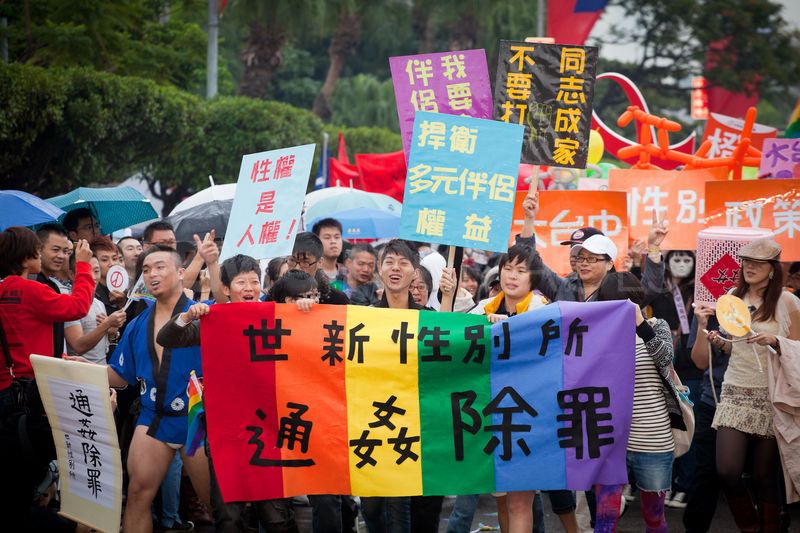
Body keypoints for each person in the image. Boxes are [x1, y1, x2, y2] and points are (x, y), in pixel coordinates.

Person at [158, 254, 299, 533]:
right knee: (228, 516)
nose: (249, 288)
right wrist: (186, 316)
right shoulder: (214, 320)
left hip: (269, 428)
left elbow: (309, 335)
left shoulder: (276, 316)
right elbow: (167, 338)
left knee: (276, 517)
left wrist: (305, 307)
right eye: (241, 282)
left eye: (254, 281)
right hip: (227, 433)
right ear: (225, 289)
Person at [98, 245, 211, 533]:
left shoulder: (203, 314)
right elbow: (119, 376)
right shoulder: (137, 324)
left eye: (160, 266)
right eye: (146, 270)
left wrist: (213, 261)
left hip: (196, 422)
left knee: (216, 504)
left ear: (181, 272)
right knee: (137, 494)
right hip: (152, 419)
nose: (152, 274)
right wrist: (78, 369)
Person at [0, 227, 95, 530]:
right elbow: (77, 307)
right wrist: (82, 266)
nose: (42, 256)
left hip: (5, 391)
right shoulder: (33, 290)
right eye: (38, 251)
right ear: (27, 257)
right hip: (31, 396)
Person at [704, 237, 800, 532]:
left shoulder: (788, 301)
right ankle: (750, 526)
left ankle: (773, 525)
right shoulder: (732, 296)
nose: (749, 267)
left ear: (773, 268)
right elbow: (737, 346)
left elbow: (797, 349)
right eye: (746, 262)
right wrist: (720, 342)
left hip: (771, 394)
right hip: (734, 390)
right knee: (728, 471)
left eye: (758, 263)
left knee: (764, 476)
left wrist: (776, 340)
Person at [461, 244, 551, 533]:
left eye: (521, 271)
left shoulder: (542, 310)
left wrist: (511, 325)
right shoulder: (482, 309)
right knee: (501, 501)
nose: (512, 276)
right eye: (508, 269)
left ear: (533, 278)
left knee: (519, 503)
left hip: (525, 416)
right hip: (490, 416)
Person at [360, 239, 444, 533]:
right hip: (374, 421)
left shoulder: (429, 319)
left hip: (416, 421)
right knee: (370, 507)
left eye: (403, 263)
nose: (395, 268)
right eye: (389, 262)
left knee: (402, 505)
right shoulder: (364, 317)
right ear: (379, 271)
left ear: (414, 271)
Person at [592, 272, 679, 533]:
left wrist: (640, 323)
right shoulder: (599, 333)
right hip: (611, 439)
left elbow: (665, 359)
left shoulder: (657, 325)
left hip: (653, 438)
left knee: (653, 517)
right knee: (605, 519)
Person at [647, 250, 700, 508]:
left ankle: (685, 485)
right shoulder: (659, 289)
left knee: (688, 424)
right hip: (661, 364)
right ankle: (665, 483)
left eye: (686, 260)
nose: (680, 264)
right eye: (676, 259)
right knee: (664, 426)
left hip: (690, 367)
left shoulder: (699, 289)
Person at [681, 303, 730, 532]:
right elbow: (700, 362)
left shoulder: (781, 302)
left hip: (760, 397)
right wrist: (701, 323)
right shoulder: (709, 303)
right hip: (713, 397)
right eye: (748, 262)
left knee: (761, 475)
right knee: (706, 471)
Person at [65, 256, 127, 363]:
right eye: (87, 271)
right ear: (72, 275)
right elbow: (79, 347)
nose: (93, 277)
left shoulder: (99, 304)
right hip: (80, 373)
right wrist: (106, 324)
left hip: (101, 371)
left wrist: (112, 332)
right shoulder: (69, 303)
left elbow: (104, 346)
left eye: (96, 271)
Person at [287, 232, 349, 305]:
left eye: (304, 262)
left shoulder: (337, 300)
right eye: (292, 260)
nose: (297, 268)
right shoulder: (276, 294)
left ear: (320, 262)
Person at [90, 236, 126, 313]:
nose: (112, 264)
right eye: (105, 260)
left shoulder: (124, 288)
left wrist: (121, 304)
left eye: (114, 259)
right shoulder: (91, 292)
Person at [312, 218, 345, 282]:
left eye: (337, 237)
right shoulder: (311, 274)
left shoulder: (349, 273)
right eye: (327, 237)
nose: (333, 241)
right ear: (316, 242)